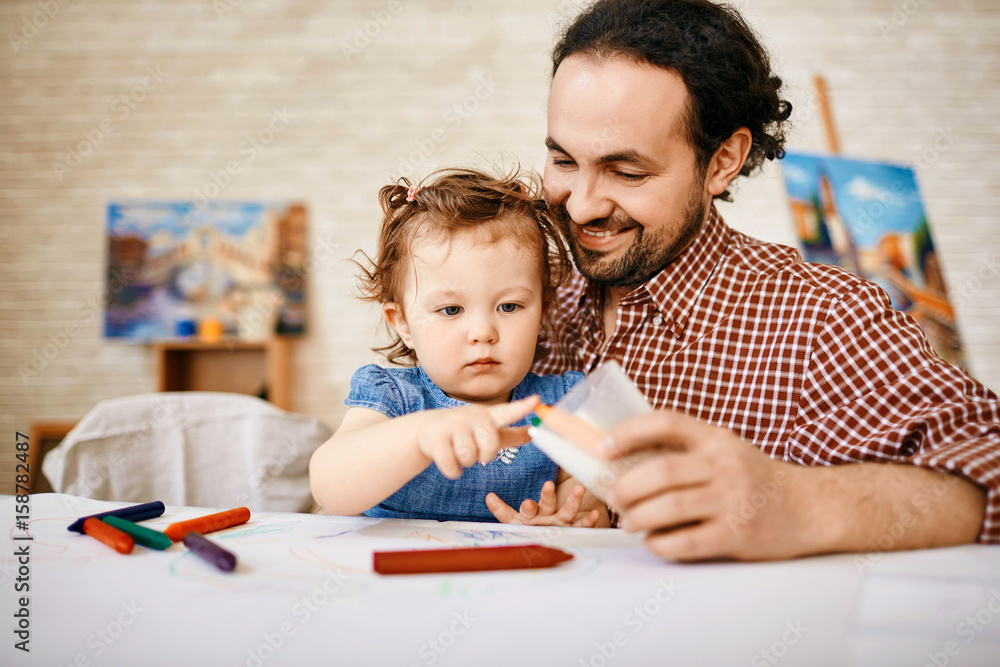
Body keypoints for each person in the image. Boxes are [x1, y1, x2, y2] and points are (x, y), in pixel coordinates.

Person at [504, 0, 998, 561]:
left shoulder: (824, 318)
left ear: (722, 161)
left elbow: (987, 462)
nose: (583, 205)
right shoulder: (517, 309)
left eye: (627, 171)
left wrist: (801, 504)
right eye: (564, 161)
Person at [309, 167, 610, 527]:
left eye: (509, 307)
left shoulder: (560, 406)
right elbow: (329, 486)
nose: (483, 332)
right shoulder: (395, 400)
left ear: (543, 311)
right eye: (451, 310)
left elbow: (592, 510)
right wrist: (421, 435)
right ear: (402, 322)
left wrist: (561, 523)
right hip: (397, 575)